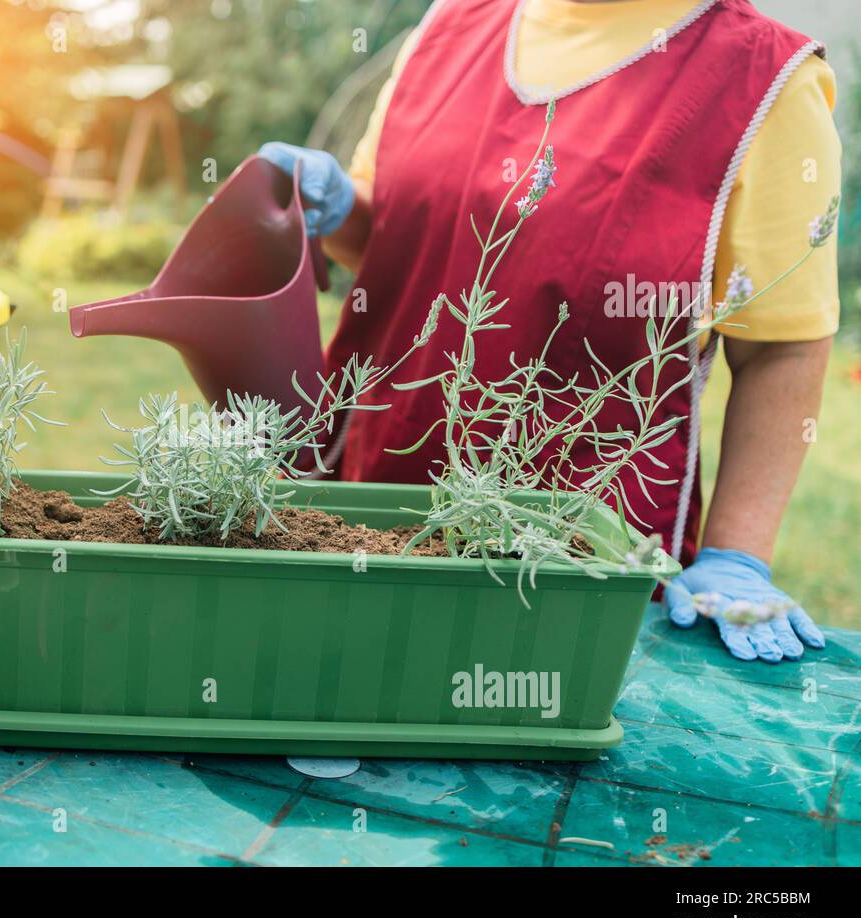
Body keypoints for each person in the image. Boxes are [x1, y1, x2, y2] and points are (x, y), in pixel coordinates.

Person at [259, 0, 839, 663]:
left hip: (568, 575)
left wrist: (736, 554)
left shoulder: (765, 81)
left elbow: (782, 348)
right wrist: (336, 210)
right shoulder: (447, 27)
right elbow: (399, 247)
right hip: (363, 518)